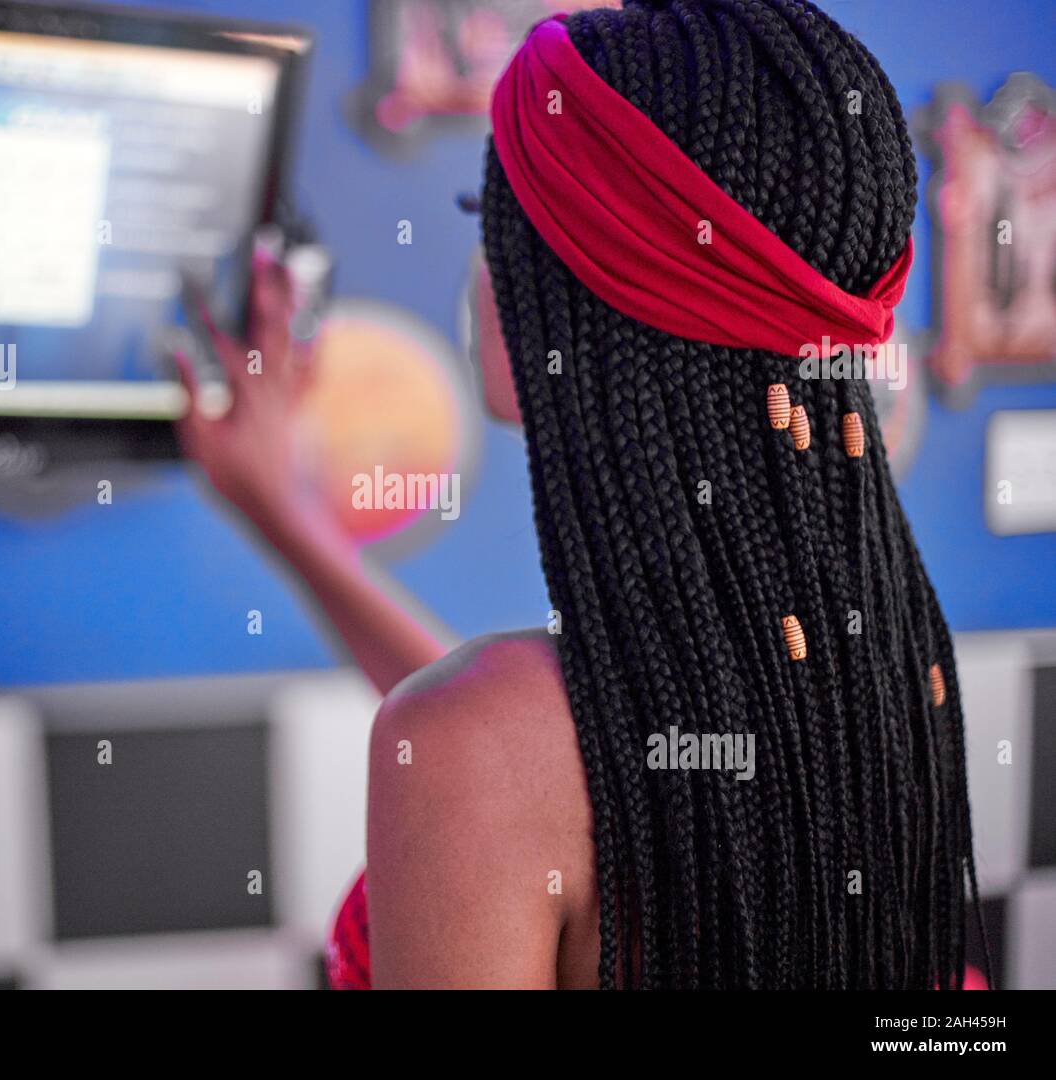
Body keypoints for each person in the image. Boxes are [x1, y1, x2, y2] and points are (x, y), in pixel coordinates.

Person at [177, 0, 984, 990]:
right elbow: (580, 760)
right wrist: (287, 520)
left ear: (580, 289)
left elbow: (515, 760)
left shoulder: (475, 744)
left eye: (495, 224)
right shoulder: (880, 682)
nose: (479, 270)